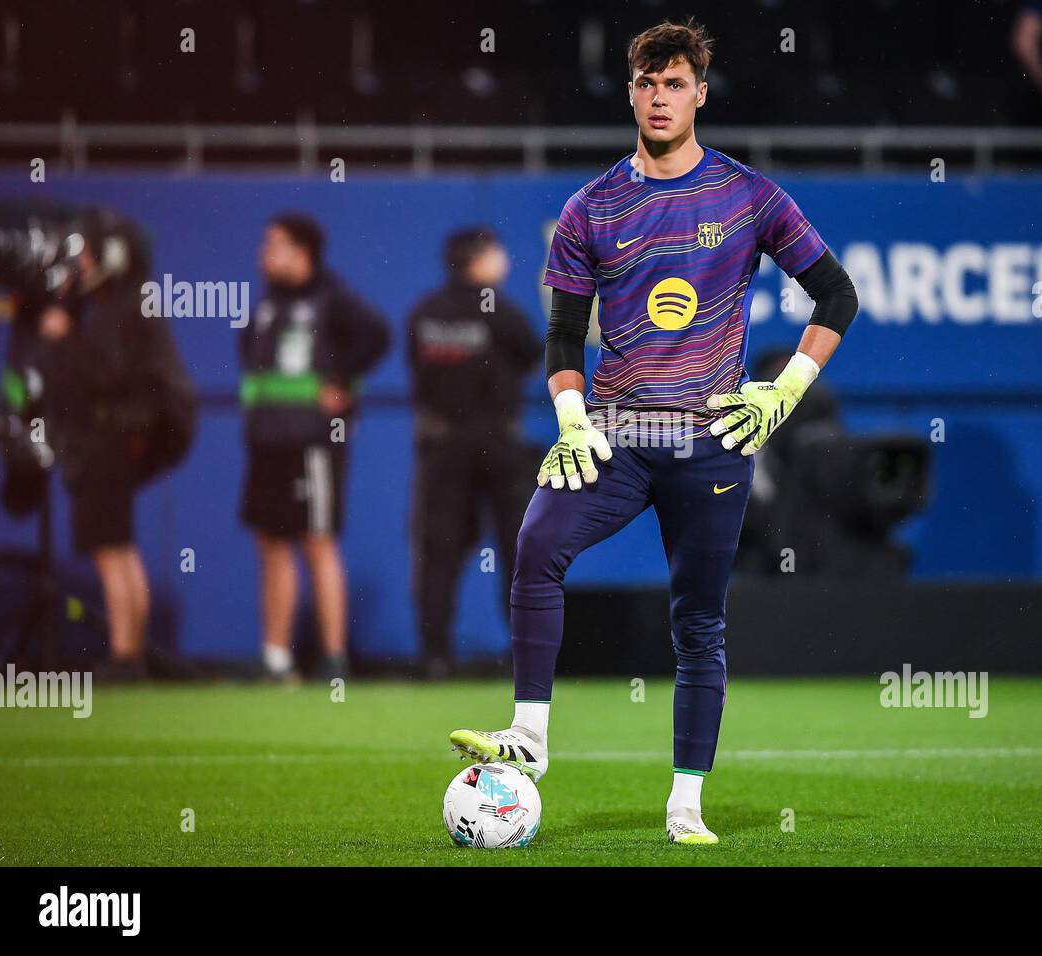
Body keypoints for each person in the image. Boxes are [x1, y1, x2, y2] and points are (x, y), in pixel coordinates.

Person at [448, 20, 858, 844]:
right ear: (629, 91)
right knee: (536, 545)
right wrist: (569, 417)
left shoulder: (748, 195)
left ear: (700, 93)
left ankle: (686, 807)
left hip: (714, 441)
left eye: (675, 83)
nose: (660, 96)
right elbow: (564, 337)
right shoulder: (591, 207)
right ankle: (529, 736)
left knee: (697, 623)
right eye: (646, 81)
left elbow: (837, 296)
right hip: (616, 438)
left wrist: (783, 393)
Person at [27, 209, 197, 679]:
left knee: (112, 548)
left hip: (111, 440)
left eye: (87, 253)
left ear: (115, 254)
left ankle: (126, 655)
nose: (80, 263)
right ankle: (129, 656)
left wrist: (64, 338)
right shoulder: (118, 305)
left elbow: (104, 374)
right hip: (113, 440)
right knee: (116, 546)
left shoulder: (122, 308)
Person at [240, 213, 390, 682]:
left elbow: (378, 335)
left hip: (313, 443)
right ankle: (276, 658)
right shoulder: (266, 305)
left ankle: (333, 658)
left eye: (276, 244)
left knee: (317, 540)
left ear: (303, 252)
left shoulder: (333, 298)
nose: (265, 253)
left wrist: (341, 381)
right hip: (267, 440)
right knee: (270, 542)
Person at [405, 228, 540, 679]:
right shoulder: (500, 309)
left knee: (439, 552)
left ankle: (434, 657)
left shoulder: (426, 311)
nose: (504, 259)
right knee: (515, 549)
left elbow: (417, 368)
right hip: (498, 445)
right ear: (478, 261)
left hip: (443, 445)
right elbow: (532, 354)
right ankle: (523, 658)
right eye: (497, 253)